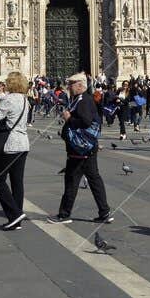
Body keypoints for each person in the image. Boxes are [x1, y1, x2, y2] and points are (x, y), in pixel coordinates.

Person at [53, 72, 113, 225]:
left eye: (71, 84)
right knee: (93, 179)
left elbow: (85, 121)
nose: (69, 87)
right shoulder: (80, 99)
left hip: (80, 150)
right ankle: (104, 212)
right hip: (85, 149)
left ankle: (64, 214)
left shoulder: (84, 100)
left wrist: (69, 119)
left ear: (80, 85)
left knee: (72, 180)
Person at [0, 71, 32, 230]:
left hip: (10, 145)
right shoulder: (25, 100)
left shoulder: (9, 99)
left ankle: (14, 214)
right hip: (23, 144)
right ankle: (16, 218)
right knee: (17, 181)